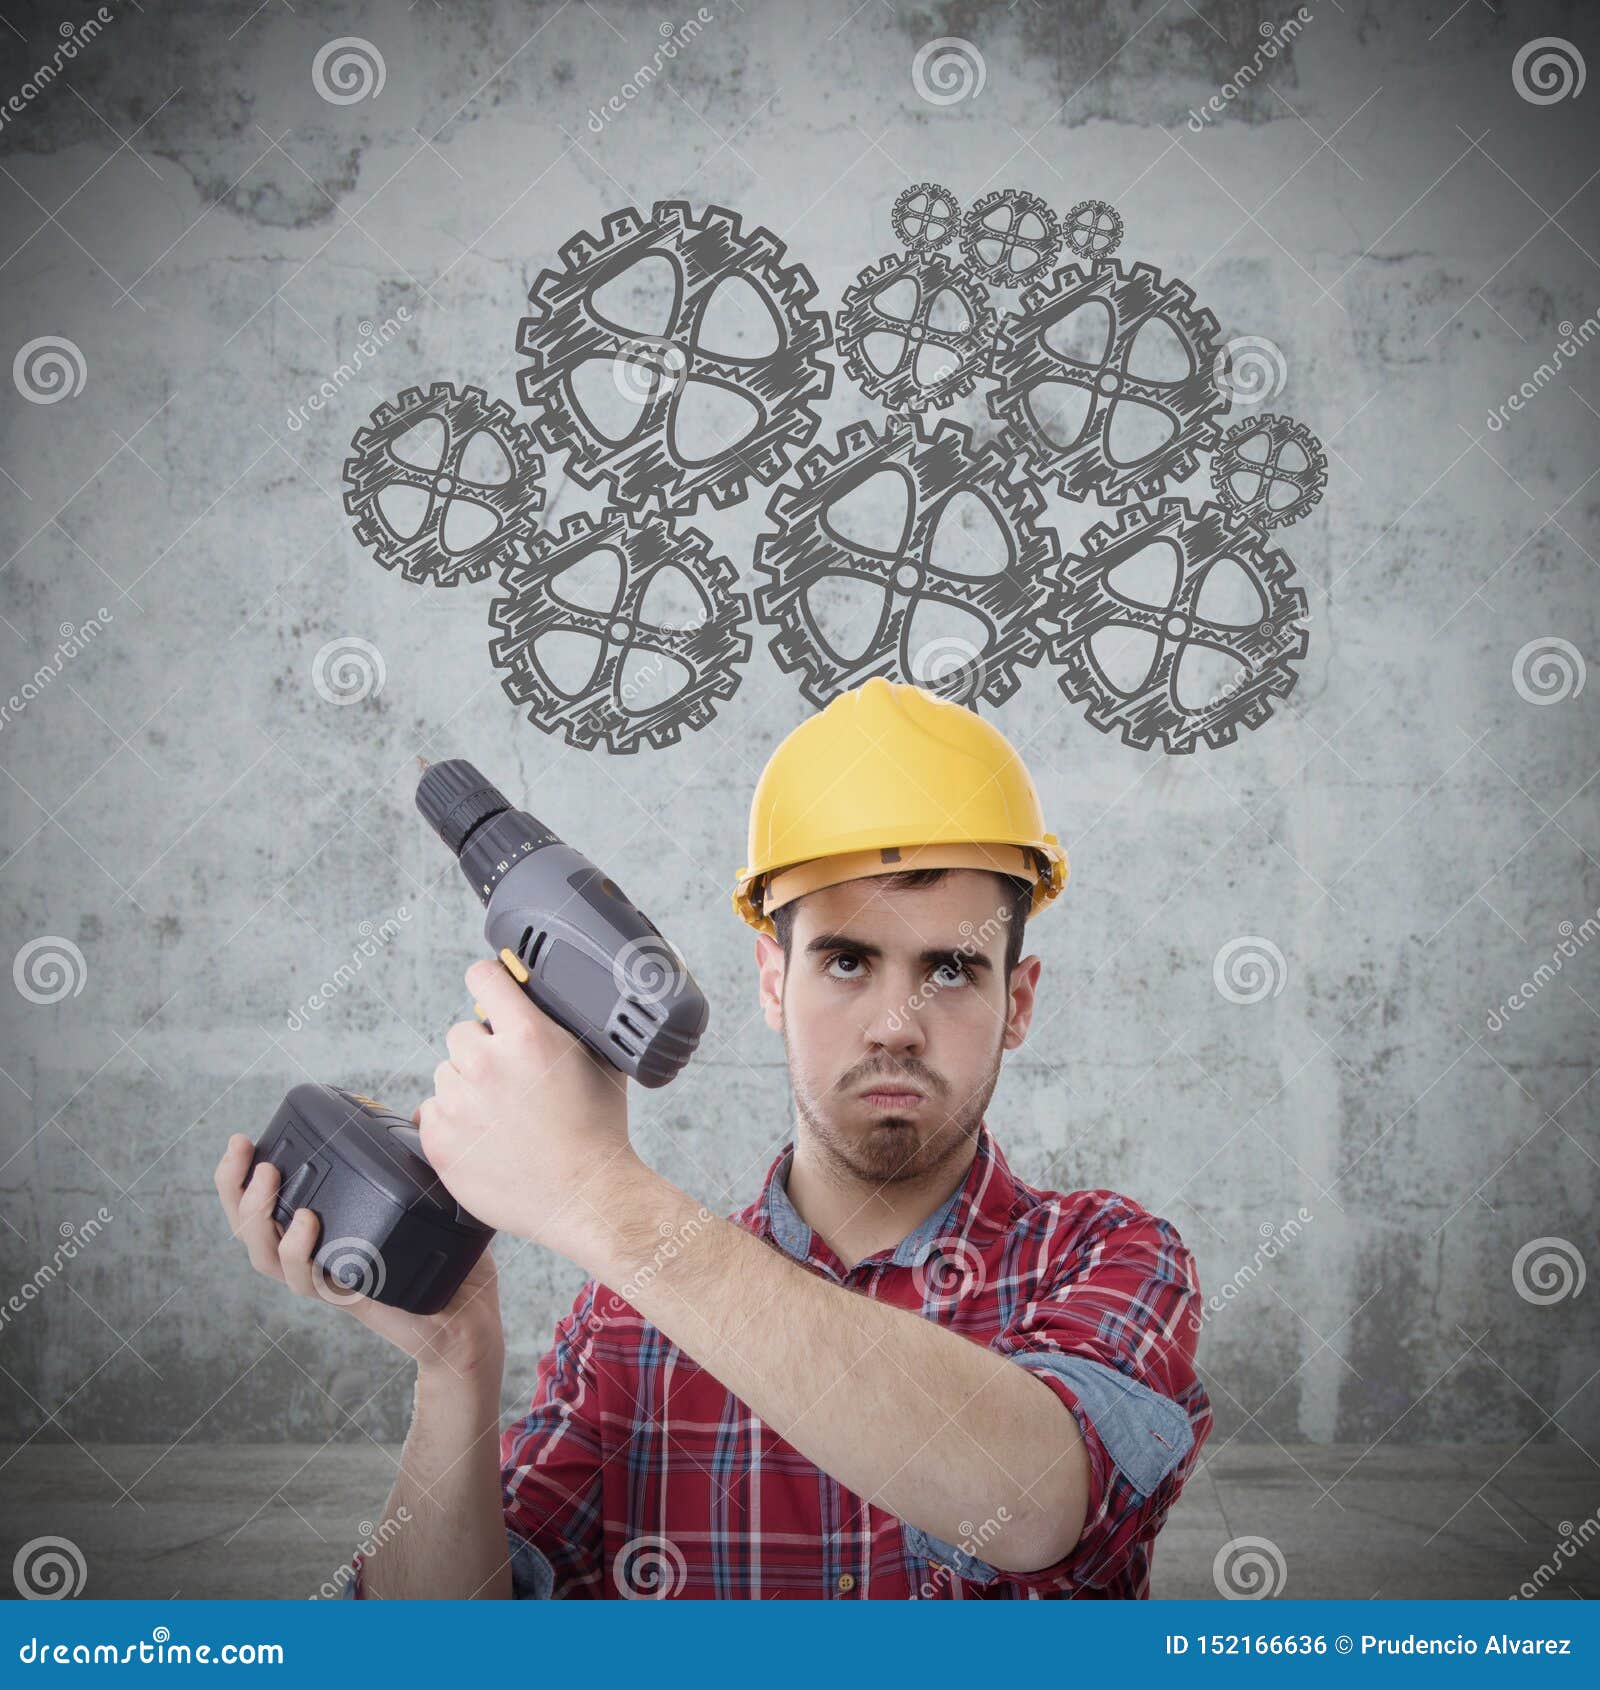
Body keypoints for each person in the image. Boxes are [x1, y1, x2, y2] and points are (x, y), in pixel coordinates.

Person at [214, 676, 1210, 1598]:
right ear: (773, 983)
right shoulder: (624, 1325)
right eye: (847, 960)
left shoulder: (1112, 1256)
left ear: (1018, 1000)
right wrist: (453, 1362)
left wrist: (595, 1191)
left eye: (950, 968)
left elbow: (1037, 1501)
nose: (895, 1023)